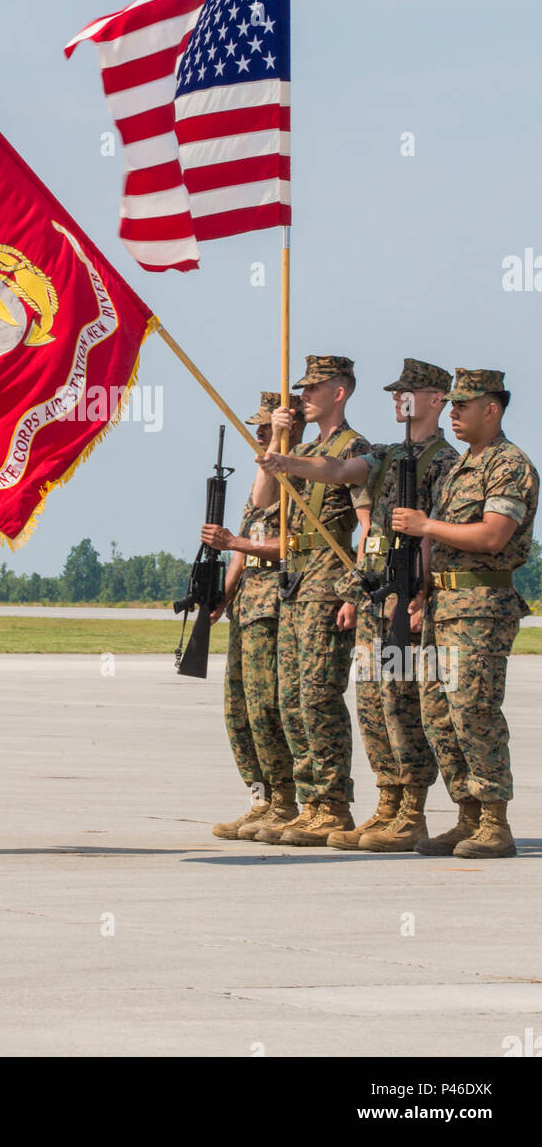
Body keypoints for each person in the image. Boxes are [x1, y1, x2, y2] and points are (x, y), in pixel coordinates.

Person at [260, 358, 457, 852]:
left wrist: (420, 593)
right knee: (372, 705)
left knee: (402, 704)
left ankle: (411, 811)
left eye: (409, 393)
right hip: (375, 590)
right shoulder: (387, 454)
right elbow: (340, 469)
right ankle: (387, 805)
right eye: (394, 393)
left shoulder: (444, 461)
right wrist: (287, 461)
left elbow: (435, 535)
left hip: (407, 595)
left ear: (437, 400)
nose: (398, 399)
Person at [391, 369, 538, 859]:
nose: (452, 414)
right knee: (438, 715)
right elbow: (435, 539)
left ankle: (495, 820)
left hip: (481, 609)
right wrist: (421, 589)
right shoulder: (460, 467)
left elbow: (493, 535)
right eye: (450, 406)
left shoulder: (509, 465)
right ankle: (467, 816)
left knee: (473, 709)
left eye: (462, 406)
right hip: (443, 606)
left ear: (491, 409)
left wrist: (425, 523)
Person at [251, 356, 371, 846]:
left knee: (320, 694)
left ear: (338, 392)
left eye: (313, 388)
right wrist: (280, 443)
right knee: (291, 697)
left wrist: (354, 590)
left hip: (329, 578)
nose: (303, 395)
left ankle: (332, 804)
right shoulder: (303, 446)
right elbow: (262, 500)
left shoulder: (352, 445)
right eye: (301, 388)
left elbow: (347, 484)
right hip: (297, 579)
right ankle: (309, 803)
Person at [202, 393, 305, 840]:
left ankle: (284, 800)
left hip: (278, 604)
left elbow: (294, 545)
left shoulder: (303, 474)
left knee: (268, 708)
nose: (260, 435)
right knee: (239, 708)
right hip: (248, 604)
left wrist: (235, 545)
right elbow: (246, 537)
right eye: (260, 428)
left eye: (269, 427)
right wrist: (222, 596)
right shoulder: (262, 483)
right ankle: (260, 797)